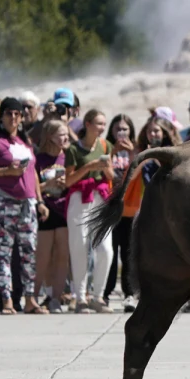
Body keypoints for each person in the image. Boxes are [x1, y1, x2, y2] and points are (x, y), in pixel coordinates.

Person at [0, 98, 46, 315]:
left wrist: (40, 200)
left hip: (27, 203)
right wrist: (6, 171)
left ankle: (29, 299)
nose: (13, 118)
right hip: (4, 201)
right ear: (1, 116)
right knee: (3, 252)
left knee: (29, 252)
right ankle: (6, 299)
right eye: (9, 114)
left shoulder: (25, 142)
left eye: (17, 114)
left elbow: (32, 172)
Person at [64, 109, 114, 312]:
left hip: (101, 198)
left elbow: (111, 175)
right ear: (87, 124)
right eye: (98, 124)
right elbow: (68, 181)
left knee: (105, 249)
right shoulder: (73, 150)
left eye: (104, 124)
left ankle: (98, 296)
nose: (102, 128)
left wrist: (104, 167)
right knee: (79, 248)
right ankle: (80, 297)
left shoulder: (105, 145)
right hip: (79, 198)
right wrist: (89, 167)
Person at [33, 119, 72, 311]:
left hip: (64, 209)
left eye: (66, 134)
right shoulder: (39, 160)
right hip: (45, 210)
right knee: (43, 256)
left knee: (62, 255)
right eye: (60, 134)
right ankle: (33, 296)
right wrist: (48, 185)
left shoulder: (69, 157)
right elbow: (31, 188)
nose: (64, 138)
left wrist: (69, 182)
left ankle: (56, 297)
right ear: (49, 136)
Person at [103, 114, 137, 309]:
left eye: (125, 129)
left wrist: (132, 155)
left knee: (128, 253)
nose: (122, 132)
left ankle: (130, 293)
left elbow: (137, 172)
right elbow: (105, 170)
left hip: (130, 208)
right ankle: (105, 293)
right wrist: (114, 151)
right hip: (110, 206)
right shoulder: (106, 147)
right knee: (110, 253)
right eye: (118, 129)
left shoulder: (136, 149)